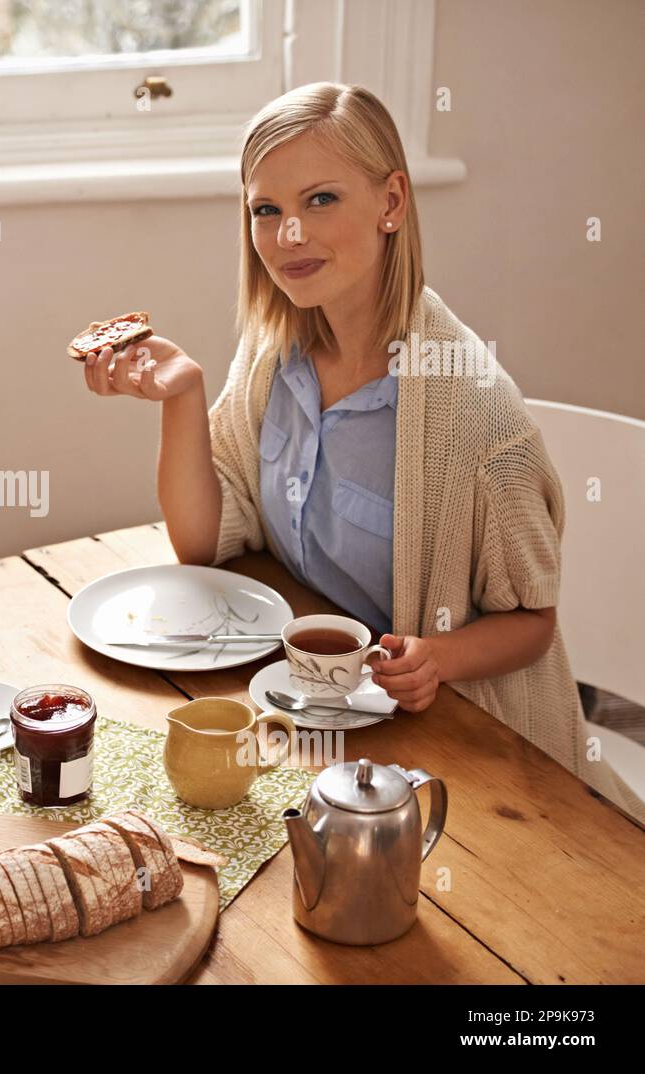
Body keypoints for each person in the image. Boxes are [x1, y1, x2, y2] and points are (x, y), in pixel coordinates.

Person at [80, 81, 642, 823]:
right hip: (315, 713)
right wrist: (183, 398)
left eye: (321, 200)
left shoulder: (476, 421)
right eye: (266, 209)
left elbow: (534, 622)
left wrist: (437, 658)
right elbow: (201, 541)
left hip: (464, 752)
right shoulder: (274, 349)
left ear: (392, 203)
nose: (289, 237)